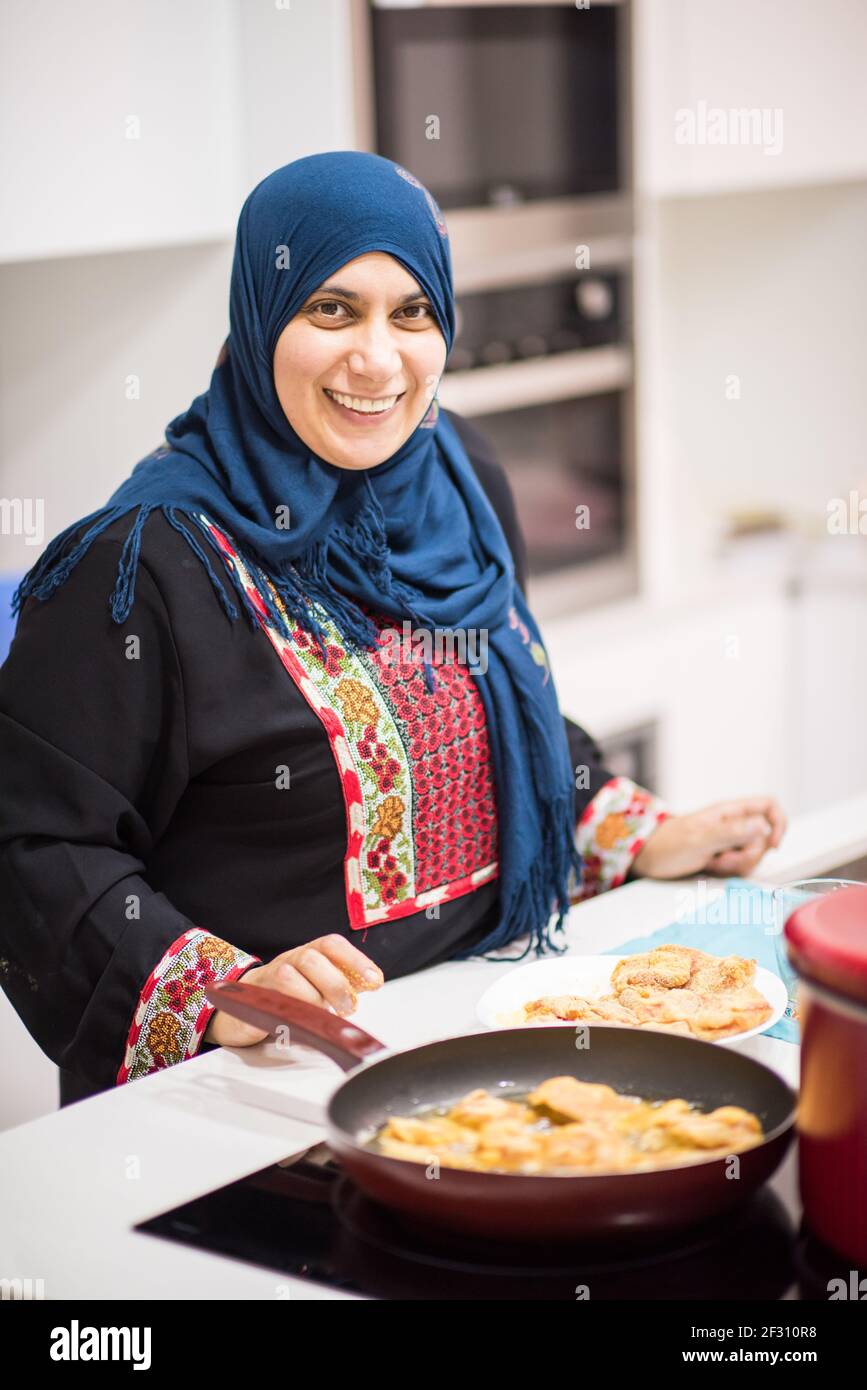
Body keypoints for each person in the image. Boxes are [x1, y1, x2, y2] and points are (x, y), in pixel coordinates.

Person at [0, 152, 786, 1107]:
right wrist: (217, 991)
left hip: (481, 1034)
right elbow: (36, 846)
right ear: (260, 316)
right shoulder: (141, 567)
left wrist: (628, 828)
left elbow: (492, 717)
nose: (377, 359)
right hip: (255, 1088)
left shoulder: (458, 477)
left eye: (410, 313)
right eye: (331, 309)